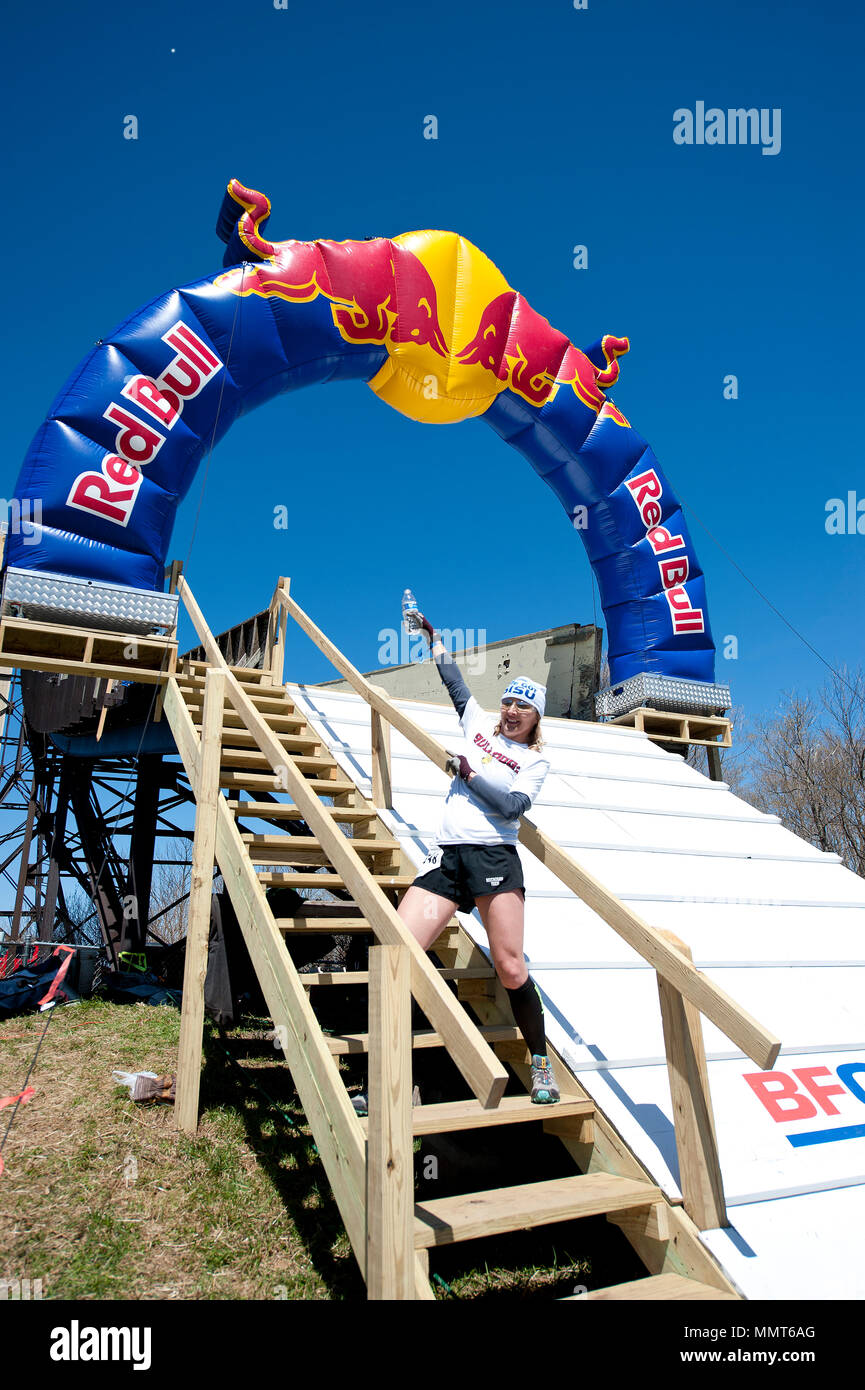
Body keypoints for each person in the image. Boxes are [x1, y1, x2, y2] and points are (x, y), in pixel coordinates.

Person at [352, 612, 559, 1114]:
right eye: (508, 700)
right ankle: (375, 1078)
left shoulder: (534, 762)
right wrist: (432, 636)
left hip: (494, 858)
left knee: (511, 968)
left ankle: (539, 1062)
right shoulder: (477, 724)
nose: (511, 711)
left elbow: (511, 808)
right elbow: (454, 682)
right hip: (448, 859)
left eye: (522, 708)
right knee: (396, 952)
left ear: (535, 719)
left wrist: (467, 773)